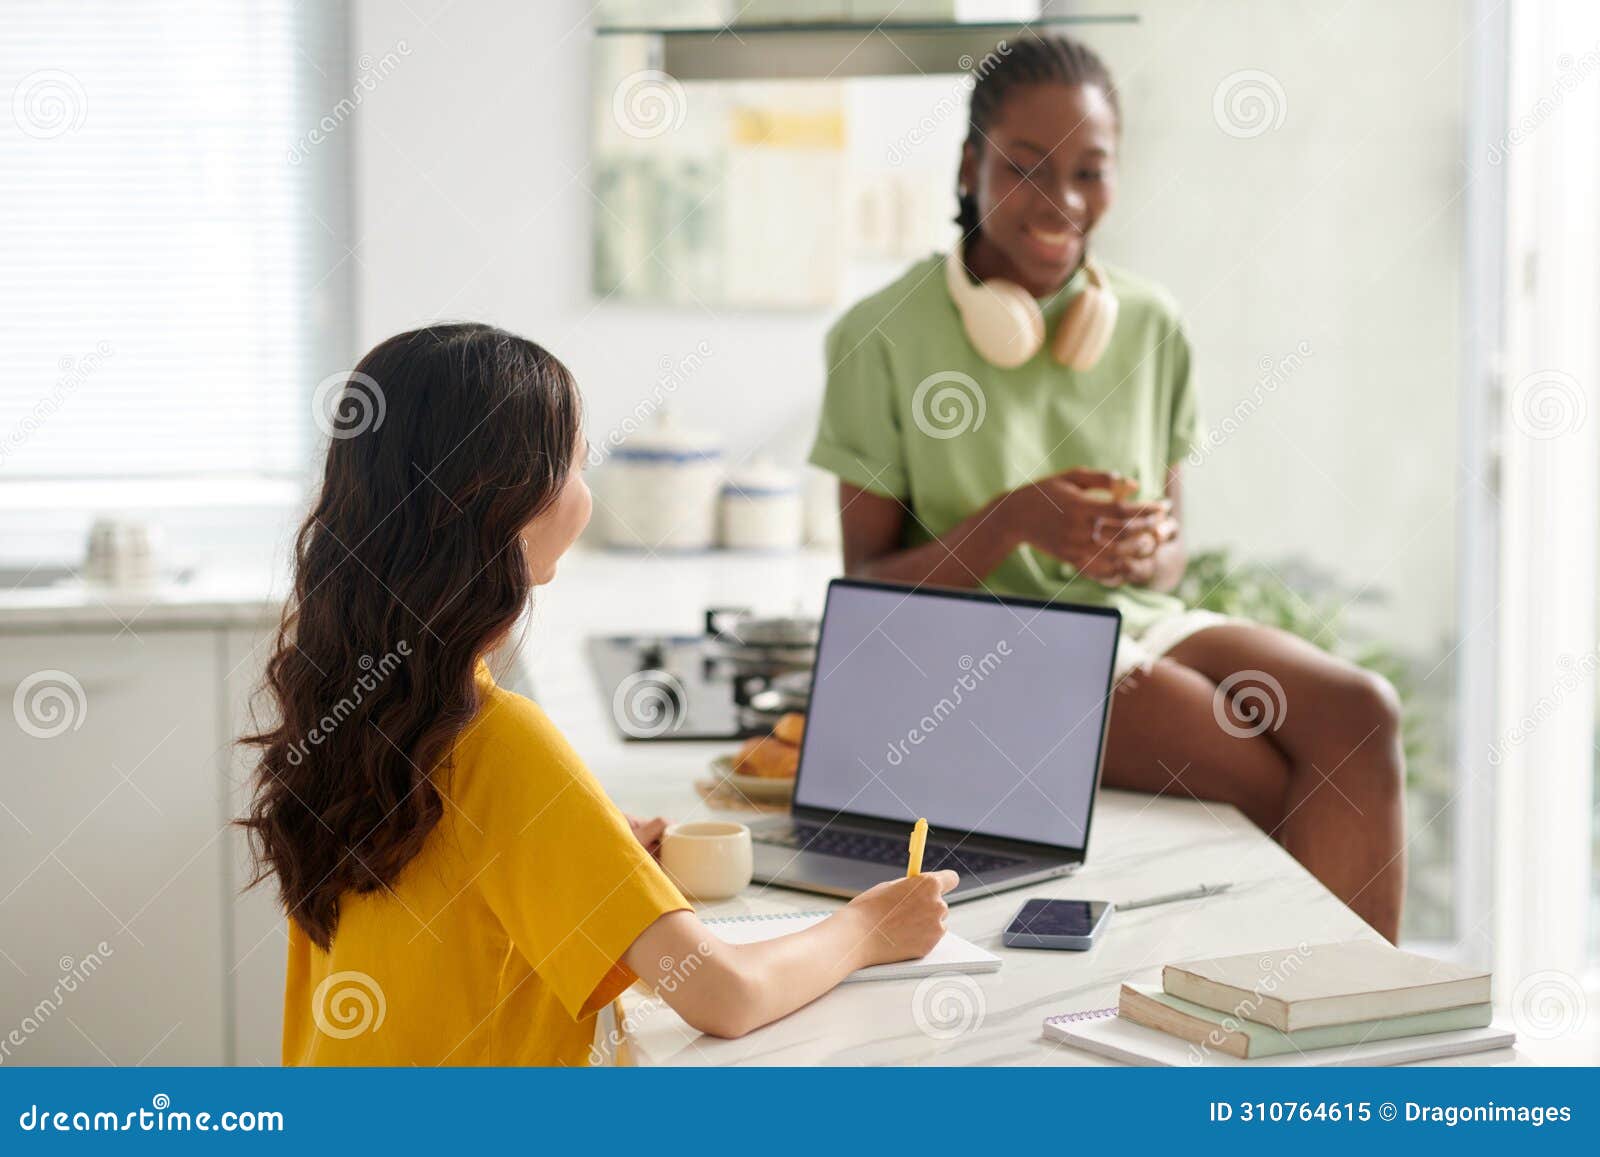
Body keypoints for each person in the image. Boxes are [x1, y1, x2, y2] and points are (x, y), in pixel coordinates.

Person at [809, 37, 1404, 940]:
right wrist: (1014, 522)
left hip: (1135, 617)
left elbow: (1168, 563)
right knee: (1245, 756)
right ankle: (1312, 1028)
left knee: (1361, 711)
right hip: (984, 650)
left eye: (1090, 171)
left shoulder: (1150, 323)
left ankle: (1343, 1029)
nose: (1063, 203)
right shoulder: (878, 333)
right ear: (970, 166)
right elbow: (869, 598)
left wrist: (1139, 545)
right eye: (1026, 167)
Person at [242, 324, 957, 1065]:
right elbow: (726, 994)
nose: (586, 493)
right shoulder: (497, 739)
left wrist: (589, 850)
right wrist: (870, 928)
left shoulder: (348, 702)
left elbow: (461, 879)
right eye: (578, 465)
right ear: (506, 508)